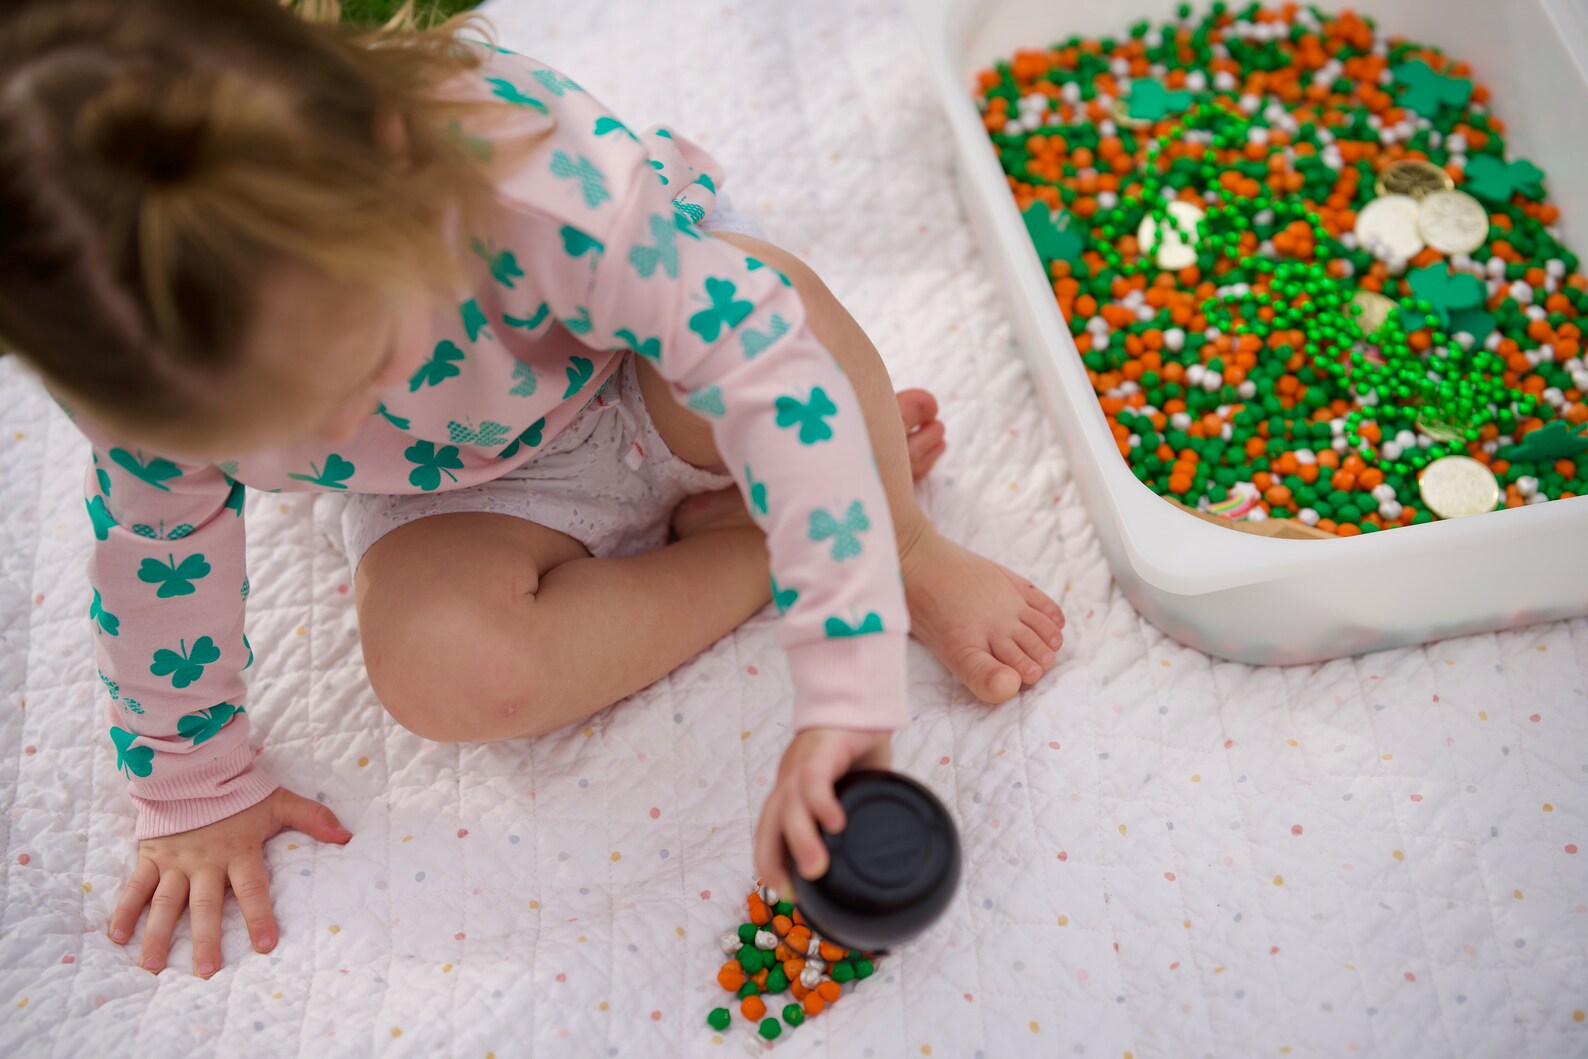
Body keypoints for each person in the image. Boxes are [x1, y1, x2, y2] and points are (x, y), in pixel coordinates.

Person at [0, 0, 1064, 979]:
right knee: (441, 670)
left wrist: (845, 691)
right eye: (255, 435)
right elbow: (156, 560)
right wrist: (190, 782)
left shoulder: (525, 171)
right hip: (445, 498)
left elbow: (761, 367)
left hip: (633, 370)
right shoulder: (142, 376)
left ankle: (903, 542)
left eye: (349, 362)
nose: (319, 433)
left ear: (392, 167)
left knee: (788, 319)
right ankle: (745, 550)